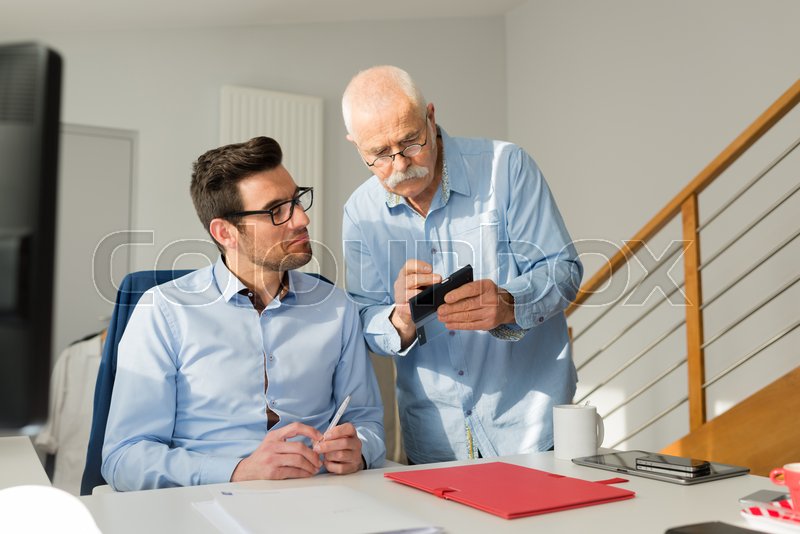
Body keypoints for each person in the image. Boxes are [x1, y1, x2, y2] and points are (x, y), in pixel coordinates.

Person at [102, 136, 385, 491]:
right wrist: (237, 470)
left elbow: (366, 421)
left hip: (322, 499)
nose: (301, 218)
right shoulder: (162, 312)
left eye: (296, 200)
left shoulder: (336, 307)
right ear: (225, 232)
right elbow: (124, 458)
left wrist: (358, 450)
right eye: (276, 210)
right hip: (210, 502)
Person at [341, 66, 582, 464]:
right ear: (357, 146)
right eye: (380, 154)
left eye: (410, 142)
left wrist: (509, 302)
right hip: (435, 443)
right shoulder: (359, 212)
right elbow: (364, 318)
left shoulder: (507, 167)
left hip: (533, 430)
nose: (400, 164)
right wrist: (399, 319)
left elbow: (564, 270)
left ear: (430, 116)